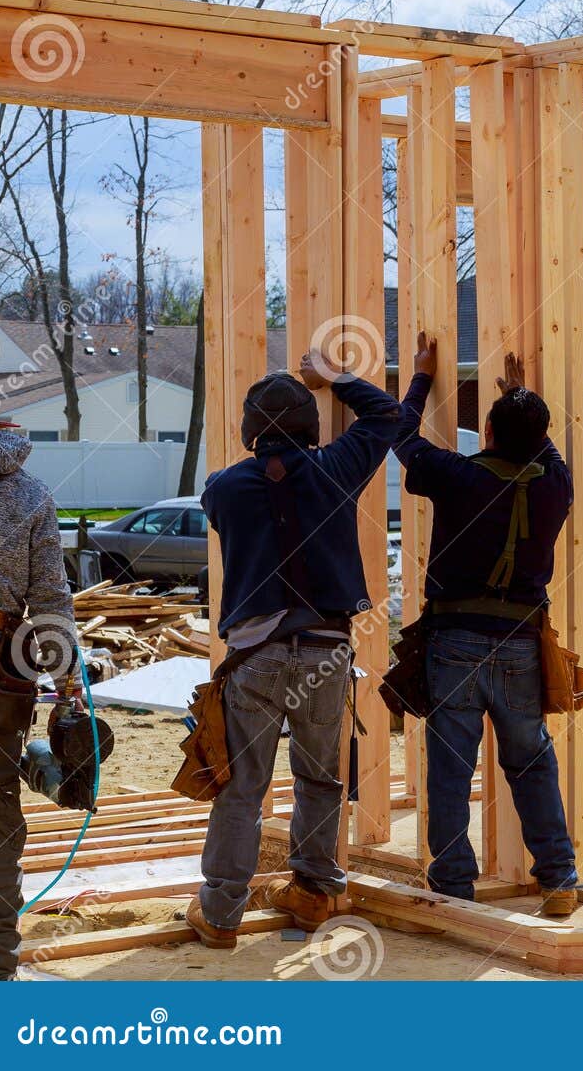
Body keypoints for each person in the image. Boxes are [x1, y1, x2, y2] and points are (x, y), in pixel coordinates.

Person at [186, 349, 400, 948]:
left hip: (256, 657)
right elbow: (386, 418)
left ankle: (222, 913)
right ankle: (313, 892)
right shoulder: (336, 467)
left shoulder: (221, 490)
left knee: (243, 789)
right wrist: (336, 376)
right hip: (326, 652)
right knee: (320, 779)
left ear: (251, 432)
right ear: (310, 424)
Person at [393, 333, 580, 915]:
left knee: (450, 769)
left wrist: (422, 376)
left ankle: (453, 888)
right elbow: (544, 449)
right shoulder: (555, 485)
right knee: (532, 764)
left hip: (454, 643)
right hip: (520, 644)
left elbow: (400, 438)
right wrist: (521, 397)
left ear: (490, 435)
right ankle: (559, 880)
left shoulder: (459, 475)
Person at [0, 418, 78, 981]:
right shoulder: (30, 494)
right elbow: (49, 595)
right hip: (3, 669)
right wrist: (67, 672)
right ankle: (0, 955)